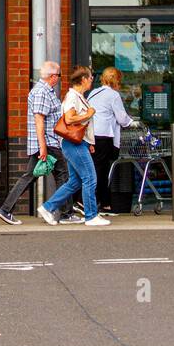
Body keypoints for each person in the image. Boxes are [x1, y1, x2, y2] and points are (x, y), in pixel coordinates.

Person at [0, 62, 71, 225]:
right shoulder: (42, 92)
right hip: (47, 142)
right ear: (53, 76)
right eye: (58, 75)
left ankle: (6, 209)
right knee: (62, 175)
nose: (59, 78)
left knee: (32, 176)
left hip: (47, 142)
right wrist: (42, 146)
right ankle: (65, 213)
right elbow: (39, 120)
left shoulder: (44, 91)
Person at [38, 66, 109, 227]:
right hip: (74, 144)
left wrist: (89, 142)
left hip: (77, 143)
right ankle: (91, 216)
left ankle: (47, 207)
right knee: (90, 178)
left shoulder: (78, 97)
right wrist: (88, 114)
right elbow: (69, 119)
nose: (92, 81)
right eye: (90, 78)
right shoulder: (72, 97)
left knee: (74, 182)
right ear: (83, 79)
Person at [86, 67, 134, 216]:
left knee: (97, 170)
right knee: (102, 171)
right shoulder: (113, 95)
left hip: (91, 135)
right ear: (116, 80)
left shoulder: (93, 92)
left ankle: (104, 203)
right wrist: (133, 123)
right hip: (104, 136)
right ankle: (101, 204)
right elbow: (122, 118)